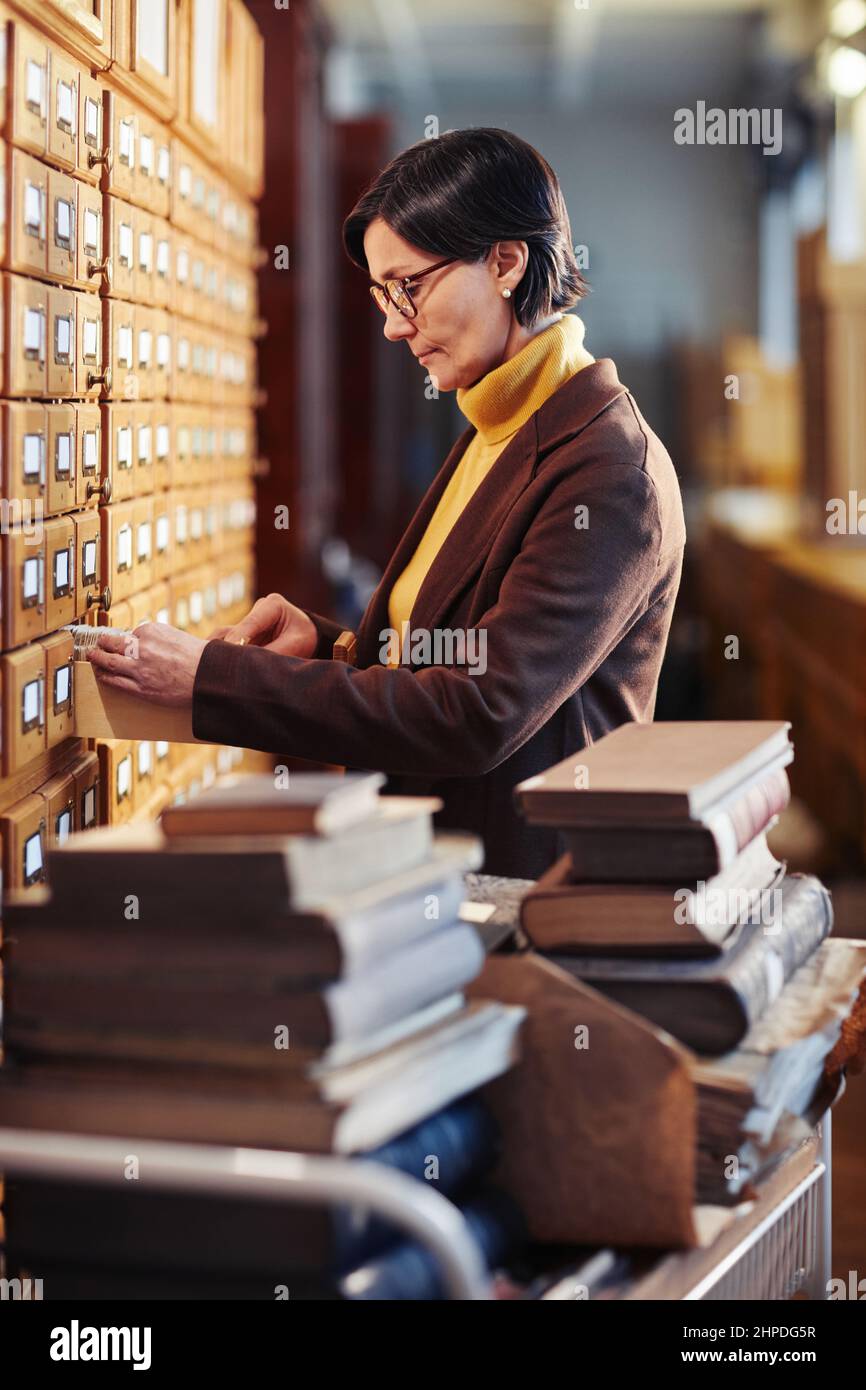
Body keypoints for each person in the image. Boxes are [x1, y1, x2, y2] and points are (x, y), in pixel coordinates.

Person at [88, 128, 686, 878]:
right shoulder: (496, 421)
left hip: (526, 894)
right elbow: (456, 643)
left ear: (506, 261)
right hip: (446, 873)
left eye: (410, 285)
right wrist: (336, 646)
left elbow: (478, 712)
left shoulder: (607, 471)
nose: (394, 323)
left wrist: (217, 678)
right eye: (382, 293)